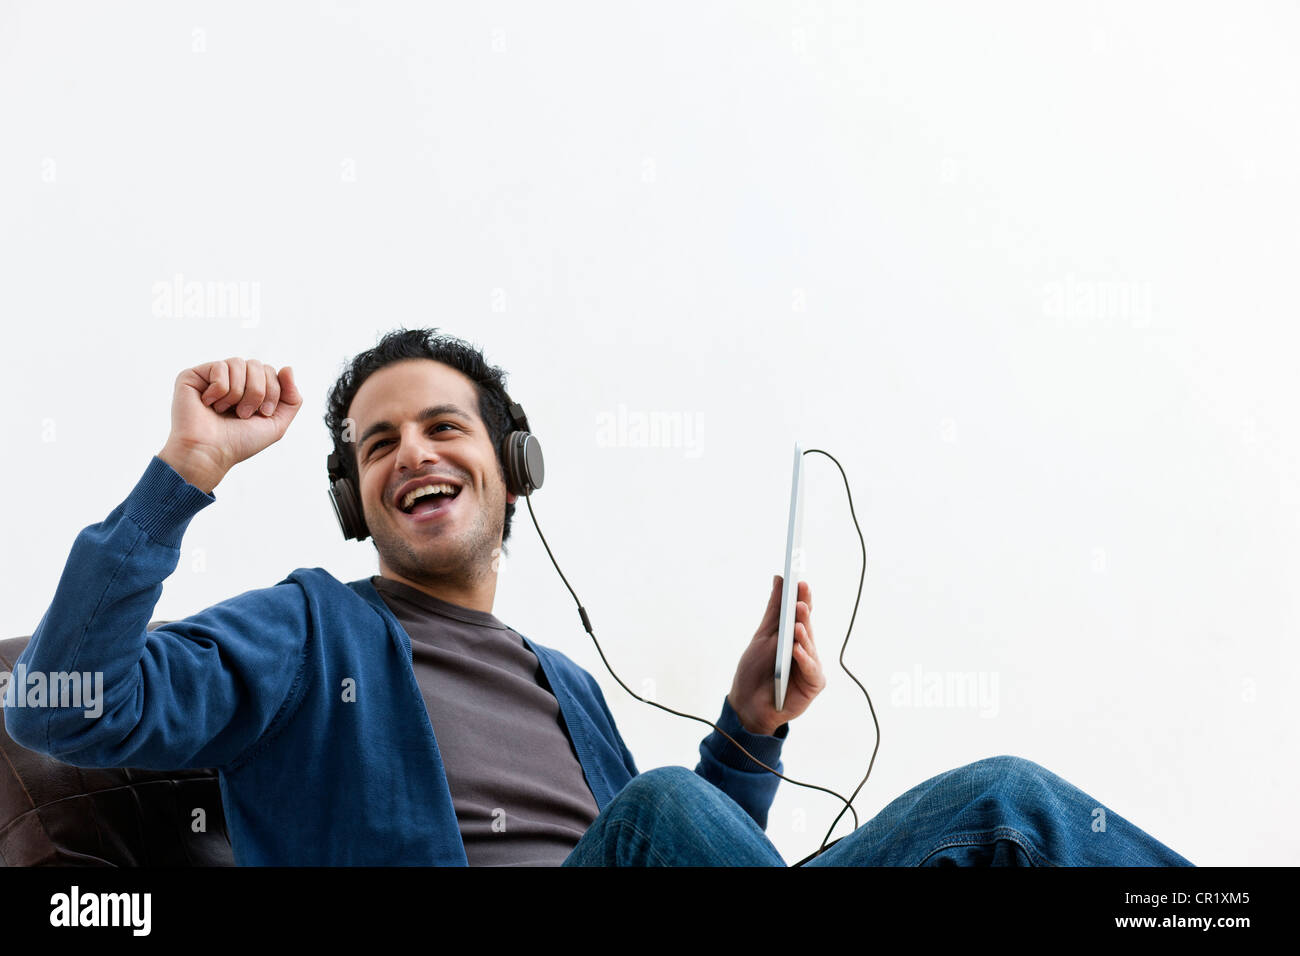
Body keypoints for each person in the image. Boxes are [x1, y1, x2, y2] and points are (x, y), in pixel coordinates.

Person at [4, 328, 1192, 867]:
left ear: (511, 466)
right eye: (377, 445)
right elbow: (61, 707)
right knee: (664, 807)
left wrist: (751, 729)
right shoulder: (310, 628)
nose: (412, 451)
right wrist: (187, 469)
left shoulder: (560, 682)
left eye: (442, 425)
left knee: (1009, 804)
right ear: (354, 497)